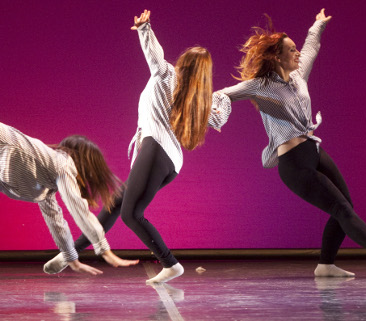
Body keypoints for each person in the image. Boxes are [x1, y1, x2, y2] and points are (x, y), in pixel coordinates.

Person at [42, 10, 232, 284]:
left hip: (156, 149)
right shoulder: (197, 99)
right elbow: (219, 115)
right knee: (115, 205)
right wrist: (224, 97)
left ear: (183, 62)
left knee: (131, 213)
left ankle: (170, 263)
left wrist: (145, 28)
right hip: (169, 160)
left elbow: (154, 55)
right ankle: (71, 253)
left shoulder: (168, 75)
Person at [218, 9, 366, 276]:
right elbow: (224, 94)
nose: (297, 53)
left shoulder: (297, 76)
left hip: (313, 150)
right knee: (340, 208)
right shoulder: (260, 86)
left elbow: (310, 49)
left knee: (345, 206)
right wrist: (205, 107)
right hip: (294, 163)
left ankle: (326, 265)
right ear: (277, 56)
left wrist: (317, 25)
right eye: (291, 50)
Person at [0, 122, 139, 275]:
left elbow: (56, 221)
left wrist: (72, 260)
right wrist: (104, 250)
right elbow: (77, 207)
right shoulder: (63, 164)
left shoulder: (46, 187)